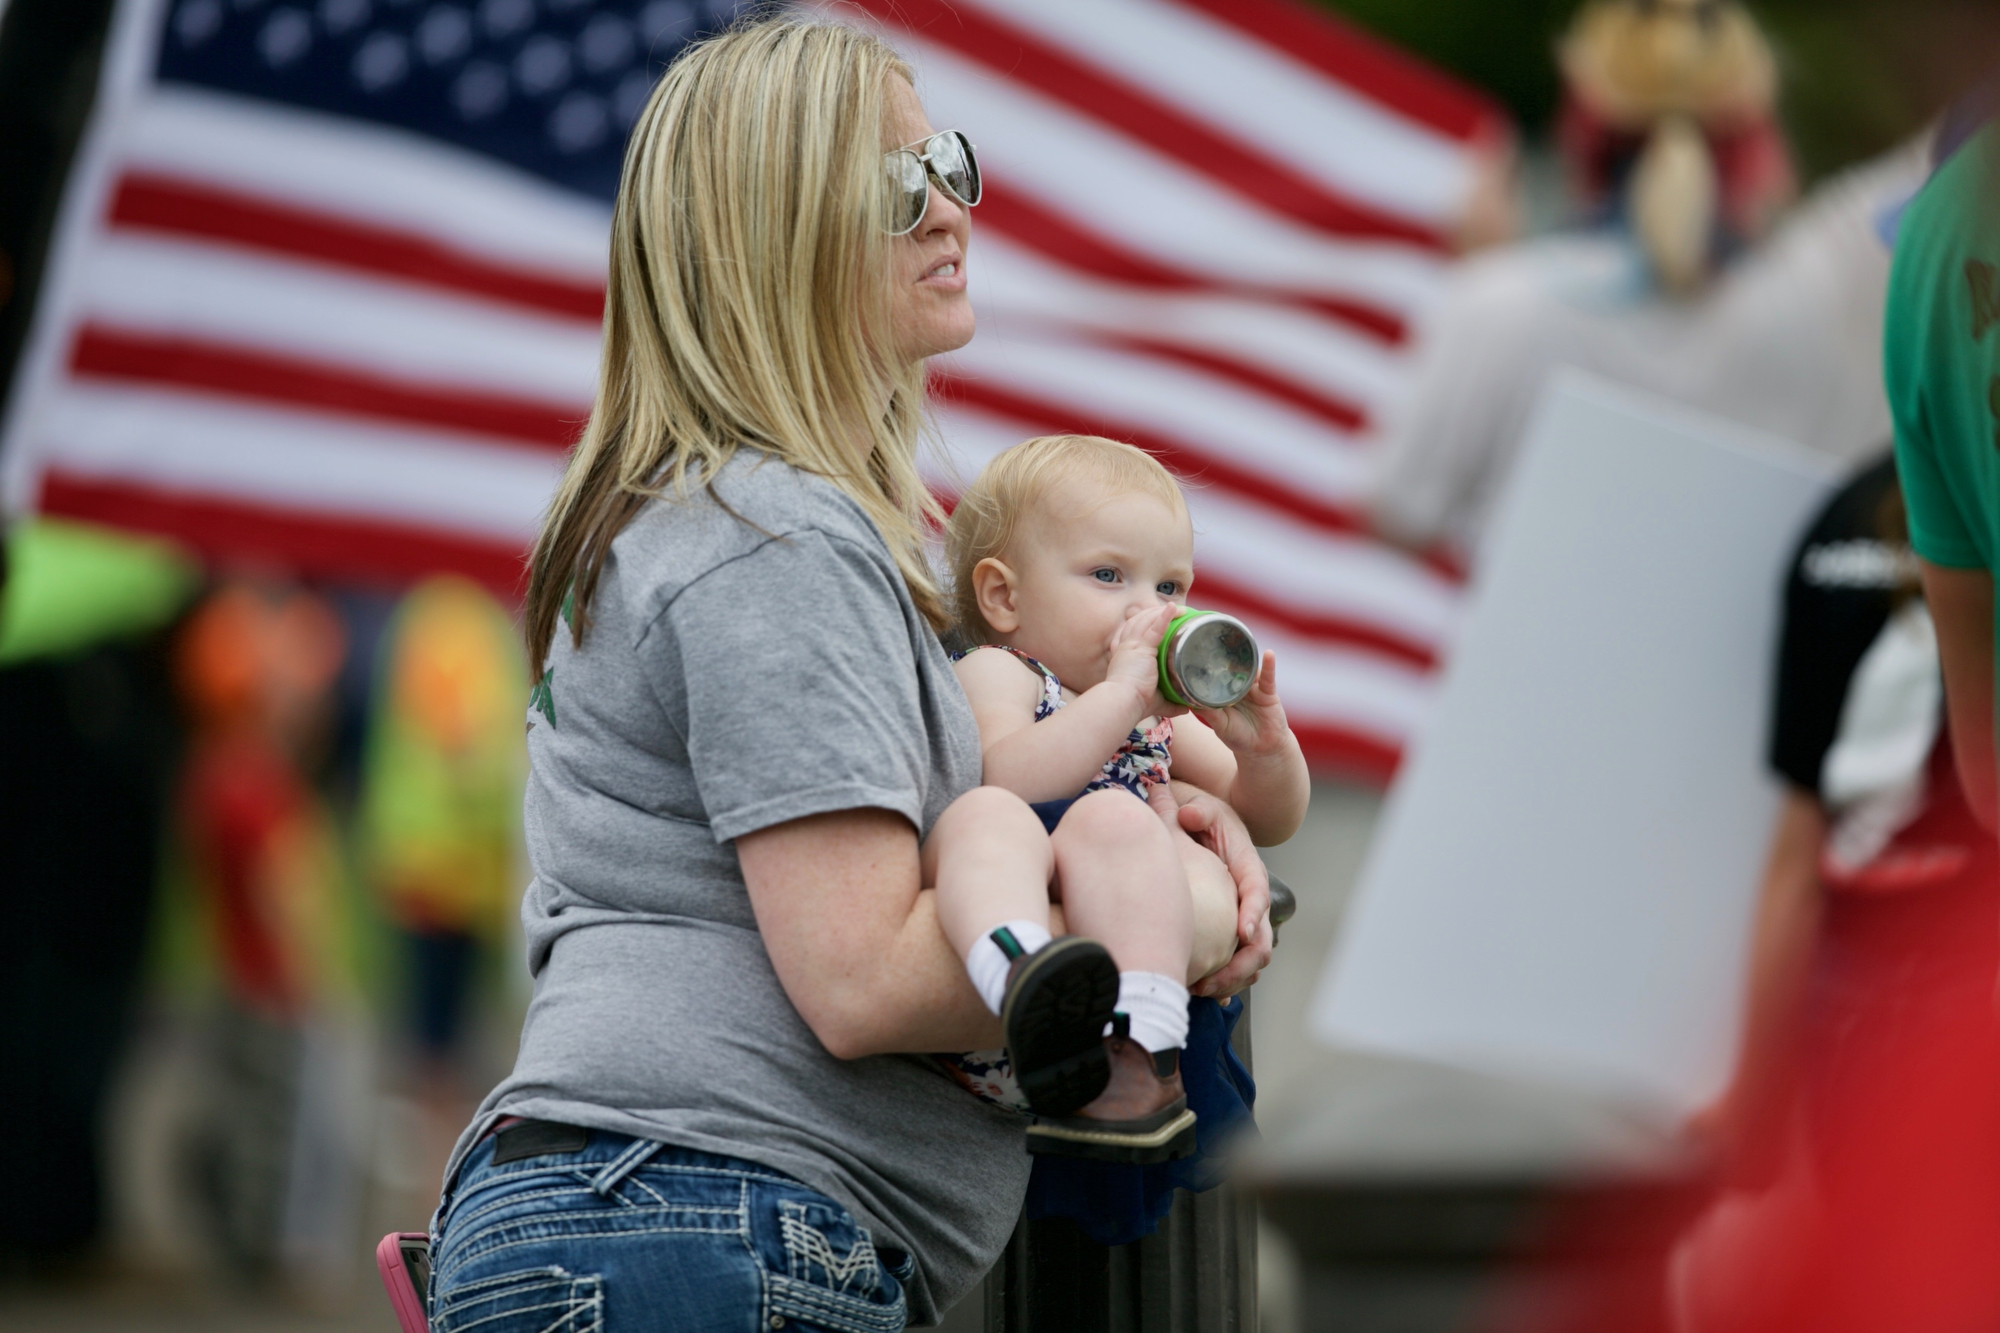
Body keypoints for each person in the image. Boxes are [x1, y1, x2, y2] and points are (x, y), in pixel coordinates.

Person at [423, 19, 1272, 1332]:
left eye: (949, 161)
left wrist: (1136, 816)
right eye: (894, 185)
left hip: (678, 1219)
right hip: (695, 1219)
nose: (949, 209)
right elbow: (867, 974)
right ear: (775, 240)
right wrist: (1194, 909)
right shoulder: (766, 542)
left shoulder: (752, 524)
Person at [1371, 0, 1921, 563]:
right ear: (1760, 136)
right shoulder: (1824, 297)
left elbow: (1398, 511)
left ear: (1581, 128)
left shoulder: (1500, 304)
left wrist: (1486, 270)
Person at [1670, 456, 2000, 1332]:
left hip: (1854, 971)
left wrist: (1755, 1089)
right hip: (1961, 963)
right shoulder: (1916, 507)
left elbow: (1799, 849)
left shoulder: (1842, 512)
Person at [931, 434, 1305, 1162]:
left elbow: (1270, 817)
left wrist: (1263, 747)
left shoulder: (1149, 711)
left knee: (1125, 824)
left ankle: (1143, 1038)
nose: (1151, 611)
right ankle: (1019, 971)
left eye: (1170, 588)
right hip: (986, 1028)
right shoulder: (1000, 671)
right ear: (1004, 596)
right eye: (1109, 575)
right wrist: (1122, 693)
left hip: (1114, 1057)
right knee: (988, 818)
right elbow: (1008, 775)